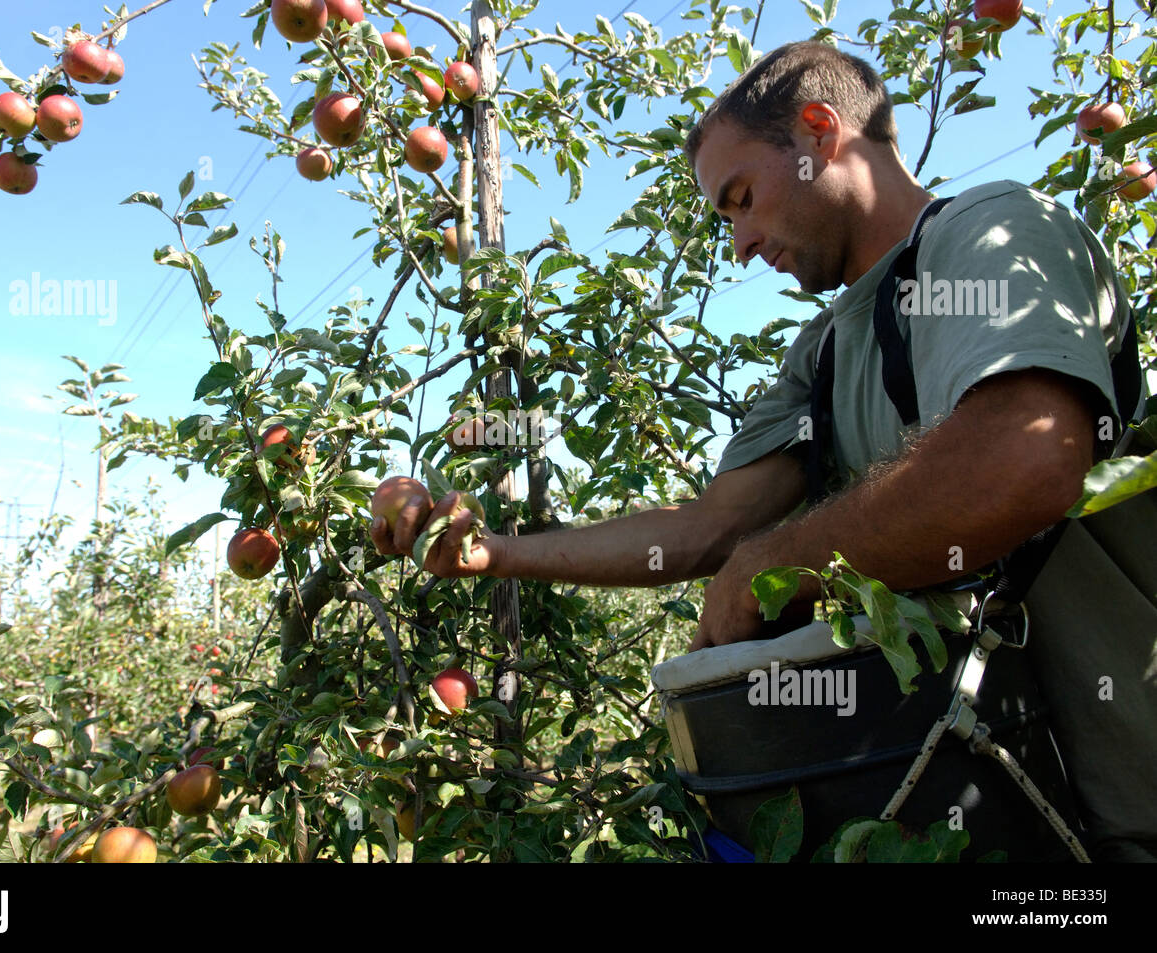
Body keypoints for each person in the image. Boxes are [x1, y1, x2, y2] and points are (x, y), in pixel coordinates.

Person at [371, 42, 1157, 861]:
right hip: (987, 824)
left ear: (820, 133)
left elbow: (1020, 461)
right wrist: (492, 553)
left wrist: (774, 559)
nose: (741, 242)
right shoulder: (819, 359)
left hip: (1127, 813)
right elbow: (706, 528)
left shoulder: (991, 230)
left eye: (742, 199)